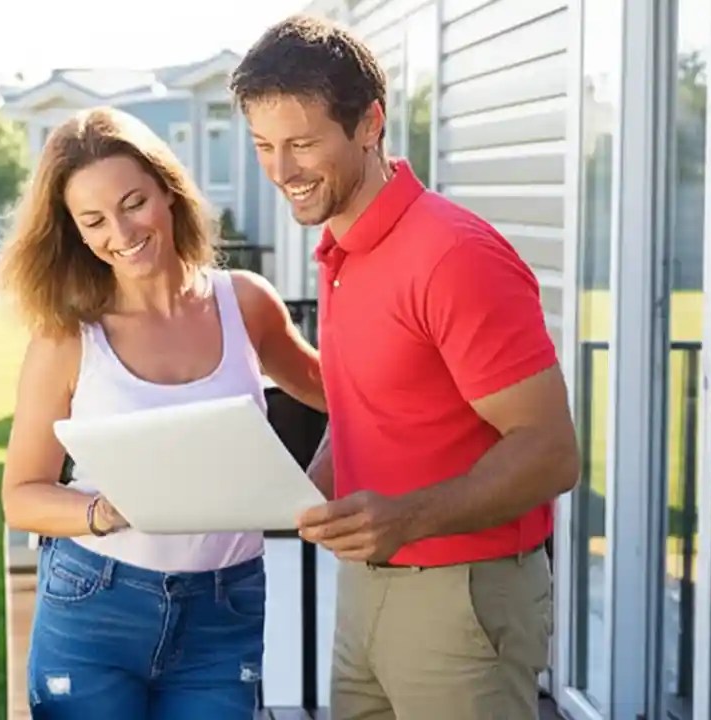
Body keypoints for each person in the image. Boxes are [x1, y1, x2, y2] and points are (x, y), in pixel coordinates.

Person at [231, 15, 580, 720]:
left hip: (460, 597)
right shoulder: (341, 253)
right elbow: (367, 408)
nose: (281, 171)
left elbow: (551, 453)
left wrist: (408, 517)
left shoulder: (453, 256)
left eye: (301, 143)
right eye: (265, 146)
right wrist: (304, 488)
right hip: (366, 588)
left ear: (369, 123)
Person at [0, 106, 325, 720]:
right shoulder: (67, 339)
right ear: (76, 234)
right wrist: (103, 510)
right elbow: (22, 496)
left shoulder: (245, 303)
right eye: (94, 220)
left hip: (225, 607)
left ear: (169, 192)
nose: (120, 231)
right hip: (98, 602)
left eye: (133, 202)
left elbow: (342, 395)